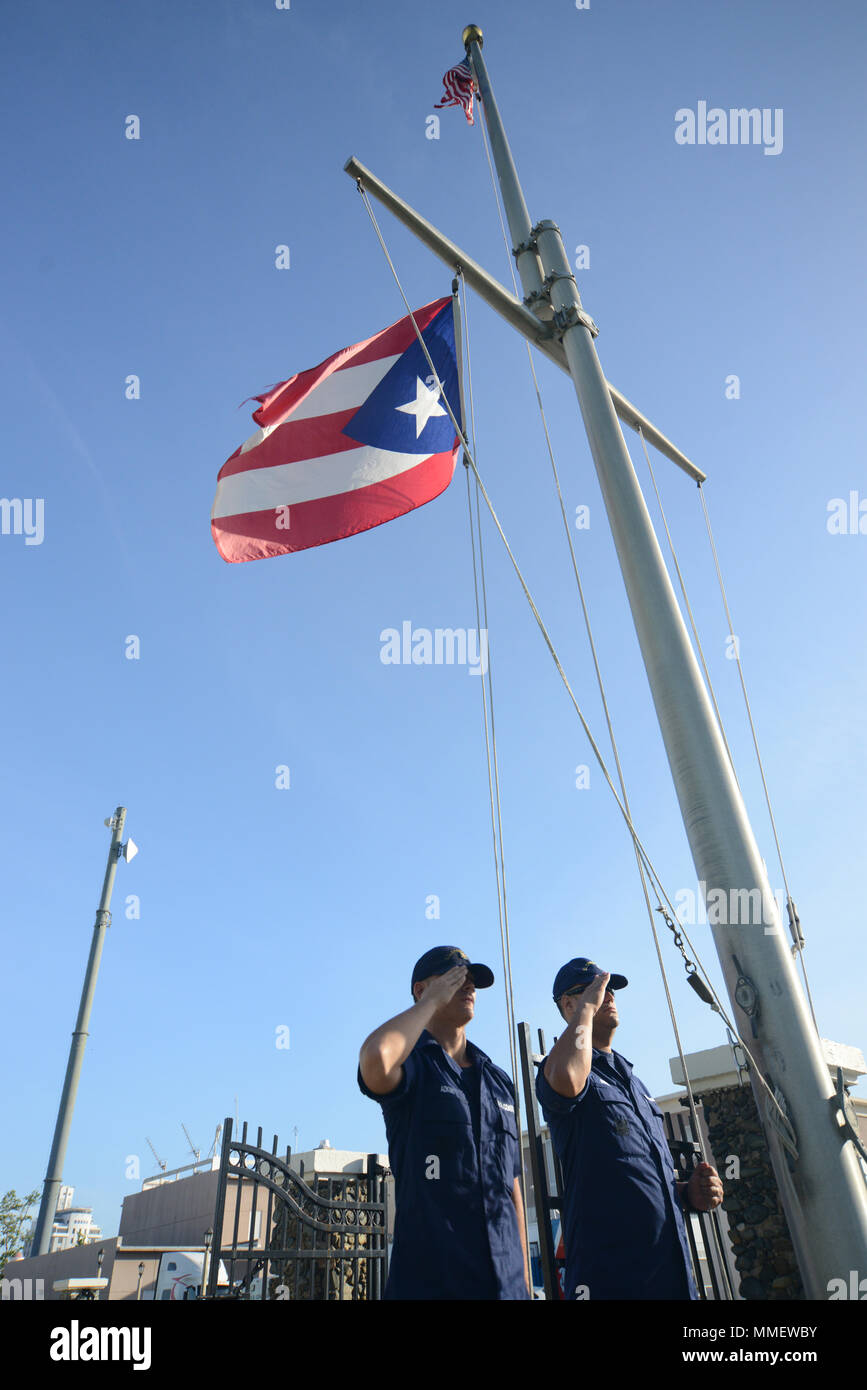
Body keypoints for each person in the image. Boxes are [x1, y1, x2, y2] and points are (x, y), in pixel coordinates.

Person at [536, 956, 723, 1300]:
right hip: (612, 1280)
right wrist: (586, 1014)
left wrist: (687, 1194)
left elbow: (634, 1175)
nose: (607, 995)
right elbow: (565, 1077)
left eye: (610, 990)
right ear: (568, 1004)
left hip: (672, 1276)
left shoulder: (635, 1083)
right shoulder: (566, 1069)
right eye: (595, 989)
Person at [358, 945, 530, 1300]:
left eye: (472, 981)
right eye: (455, 979)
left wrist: (525, 1285)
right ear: (422, 989)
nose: (469, 987)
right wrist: (429, 1004)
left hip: (506, 1285)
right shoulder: (413, 1066)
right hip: (433, 1282)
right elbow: (374, 1057)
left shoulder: (497, 1080)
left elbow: (511, 1190)